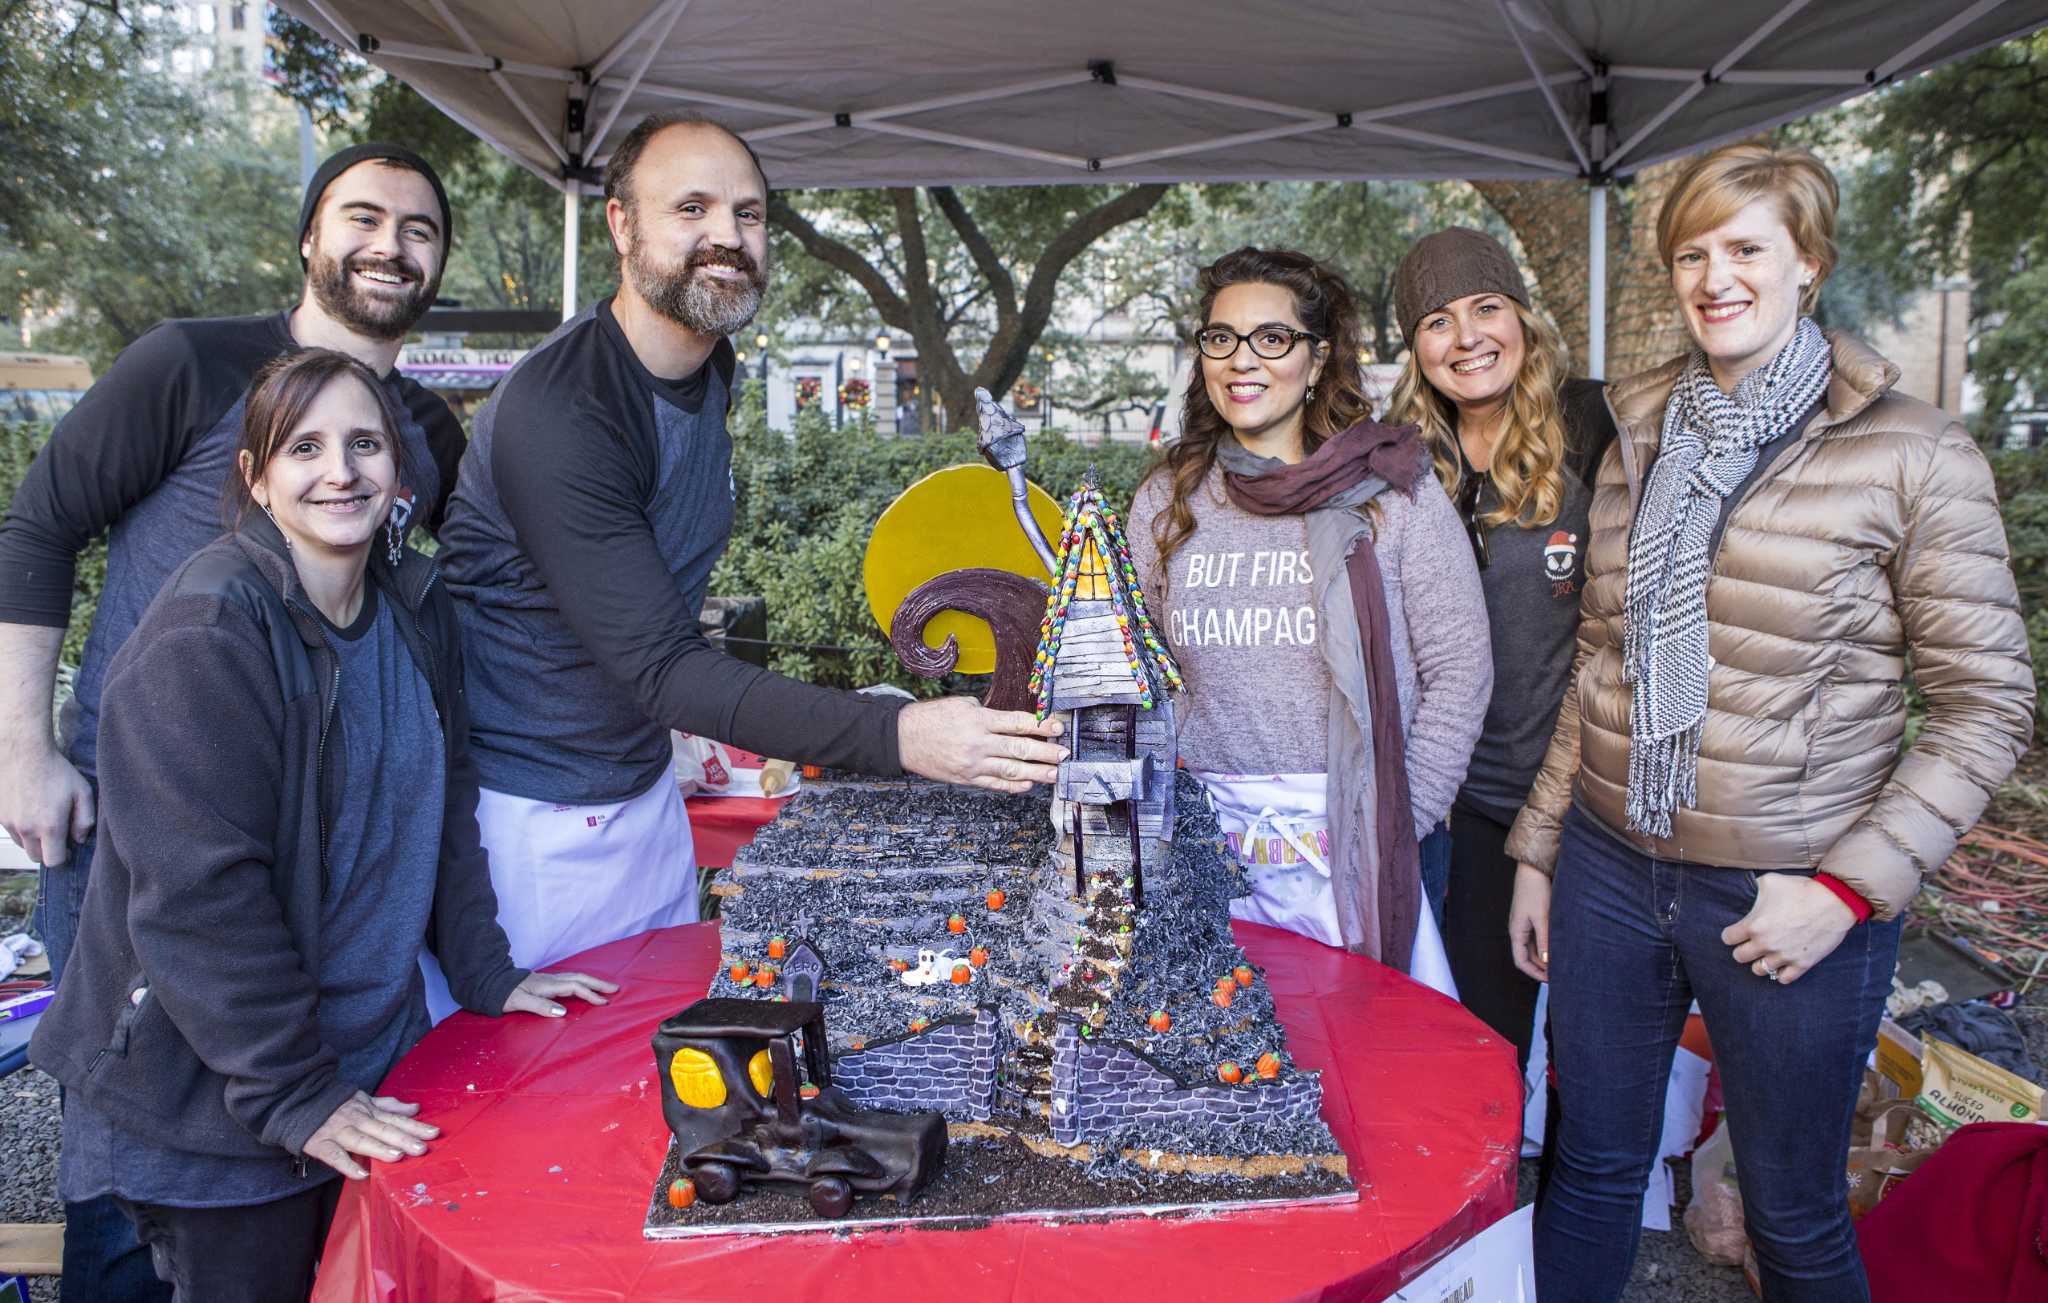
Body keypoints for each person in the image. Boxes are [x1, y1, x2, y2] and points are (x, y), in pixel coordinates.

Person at [1503, 143, 2034, 1301]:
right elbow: (1601, 659)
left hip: (1788, 886)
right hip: (1608, 863)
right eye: (1689, 254)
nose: (1713, 278)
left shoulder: (1911, 450)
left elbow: (1984, 705)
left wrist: (1843, 888)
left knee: (1791, 1217)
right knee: (1587, 1171)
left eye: (1743, 248)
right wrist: (1540, 850)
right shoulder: (1638, 427)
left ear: (1808, 262)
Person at [429, 110, 1065, 1004]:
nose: (727, 235)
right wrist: (901, 735)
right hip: (536, 825)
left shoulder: (710, 368)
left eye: (749, 213)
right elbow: (663, 667)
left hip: (644, 794)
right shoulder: (563, 411)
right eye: (691, 208)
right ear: (621, 225)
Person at [28, 349, 613, 1302]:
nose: (339, 470)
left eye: (363, 443)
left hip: (366, 1073)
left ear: (399, 471)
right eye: (304, 447)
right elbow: (199, 898)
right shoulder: (208, 633)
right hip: (219, 1105)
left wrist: (487, 971)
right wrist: (297, 1091)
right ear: (256, 478)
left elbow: (444, 803)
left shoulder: (416, 605)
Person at [0, 141, 464, 1302]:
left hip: (307, 836)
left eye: (418, 228)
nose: (390, 245)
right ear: (309, 238)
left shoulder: (423, 432)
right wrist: (23, 749)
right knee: (146, 1141)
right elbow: (39, 526)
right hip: (127, 813)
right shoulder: (190, 363)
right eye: (363, 217)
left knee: (281, 1163)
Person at [1126, 246, 1489, 980]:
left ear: (1318, 359)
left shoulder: (1395, 495)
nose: (1242, 360)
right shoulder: (1167, 501)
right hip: (1206, 854)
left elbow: (1460, 673)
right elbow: (1143, 673)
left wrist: (1395, 821)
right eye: (1221, 338)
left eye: (1273, 338)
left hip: (1365, 844)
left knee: (1362, 1043)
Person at [1384, 227, 1616, 1074]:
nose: (1467, 337)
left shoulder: (1595, 424)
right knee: (1479, 1054)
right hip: (1465, 805)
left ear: (1522, 316)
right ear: (1416, 348)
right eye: (1437, 321)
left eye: (1487, 307)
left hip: (1589, 800)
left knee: (1592, 1064)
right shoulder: (1399, 459)